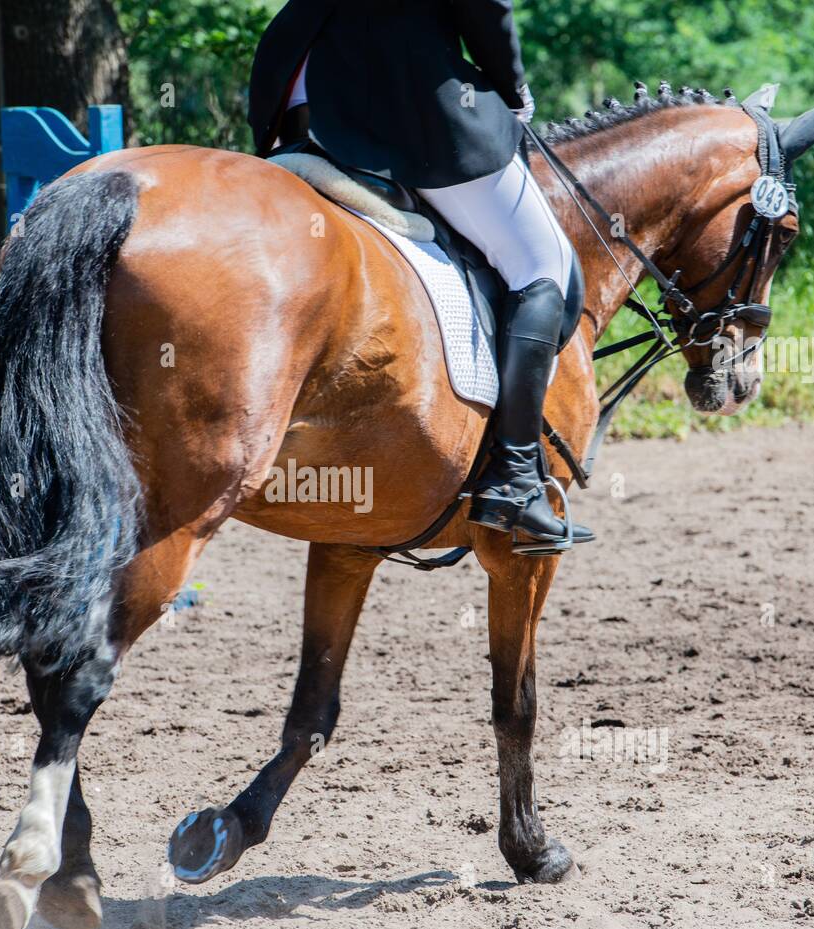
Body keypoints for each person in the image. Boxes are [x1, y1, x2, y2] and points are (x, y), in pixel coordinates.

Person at [249, 0, 593, 550]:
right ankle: (516, 477)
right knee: (540, 263)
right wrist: (512, 88)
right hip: (400, 92)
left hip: (296, 89)